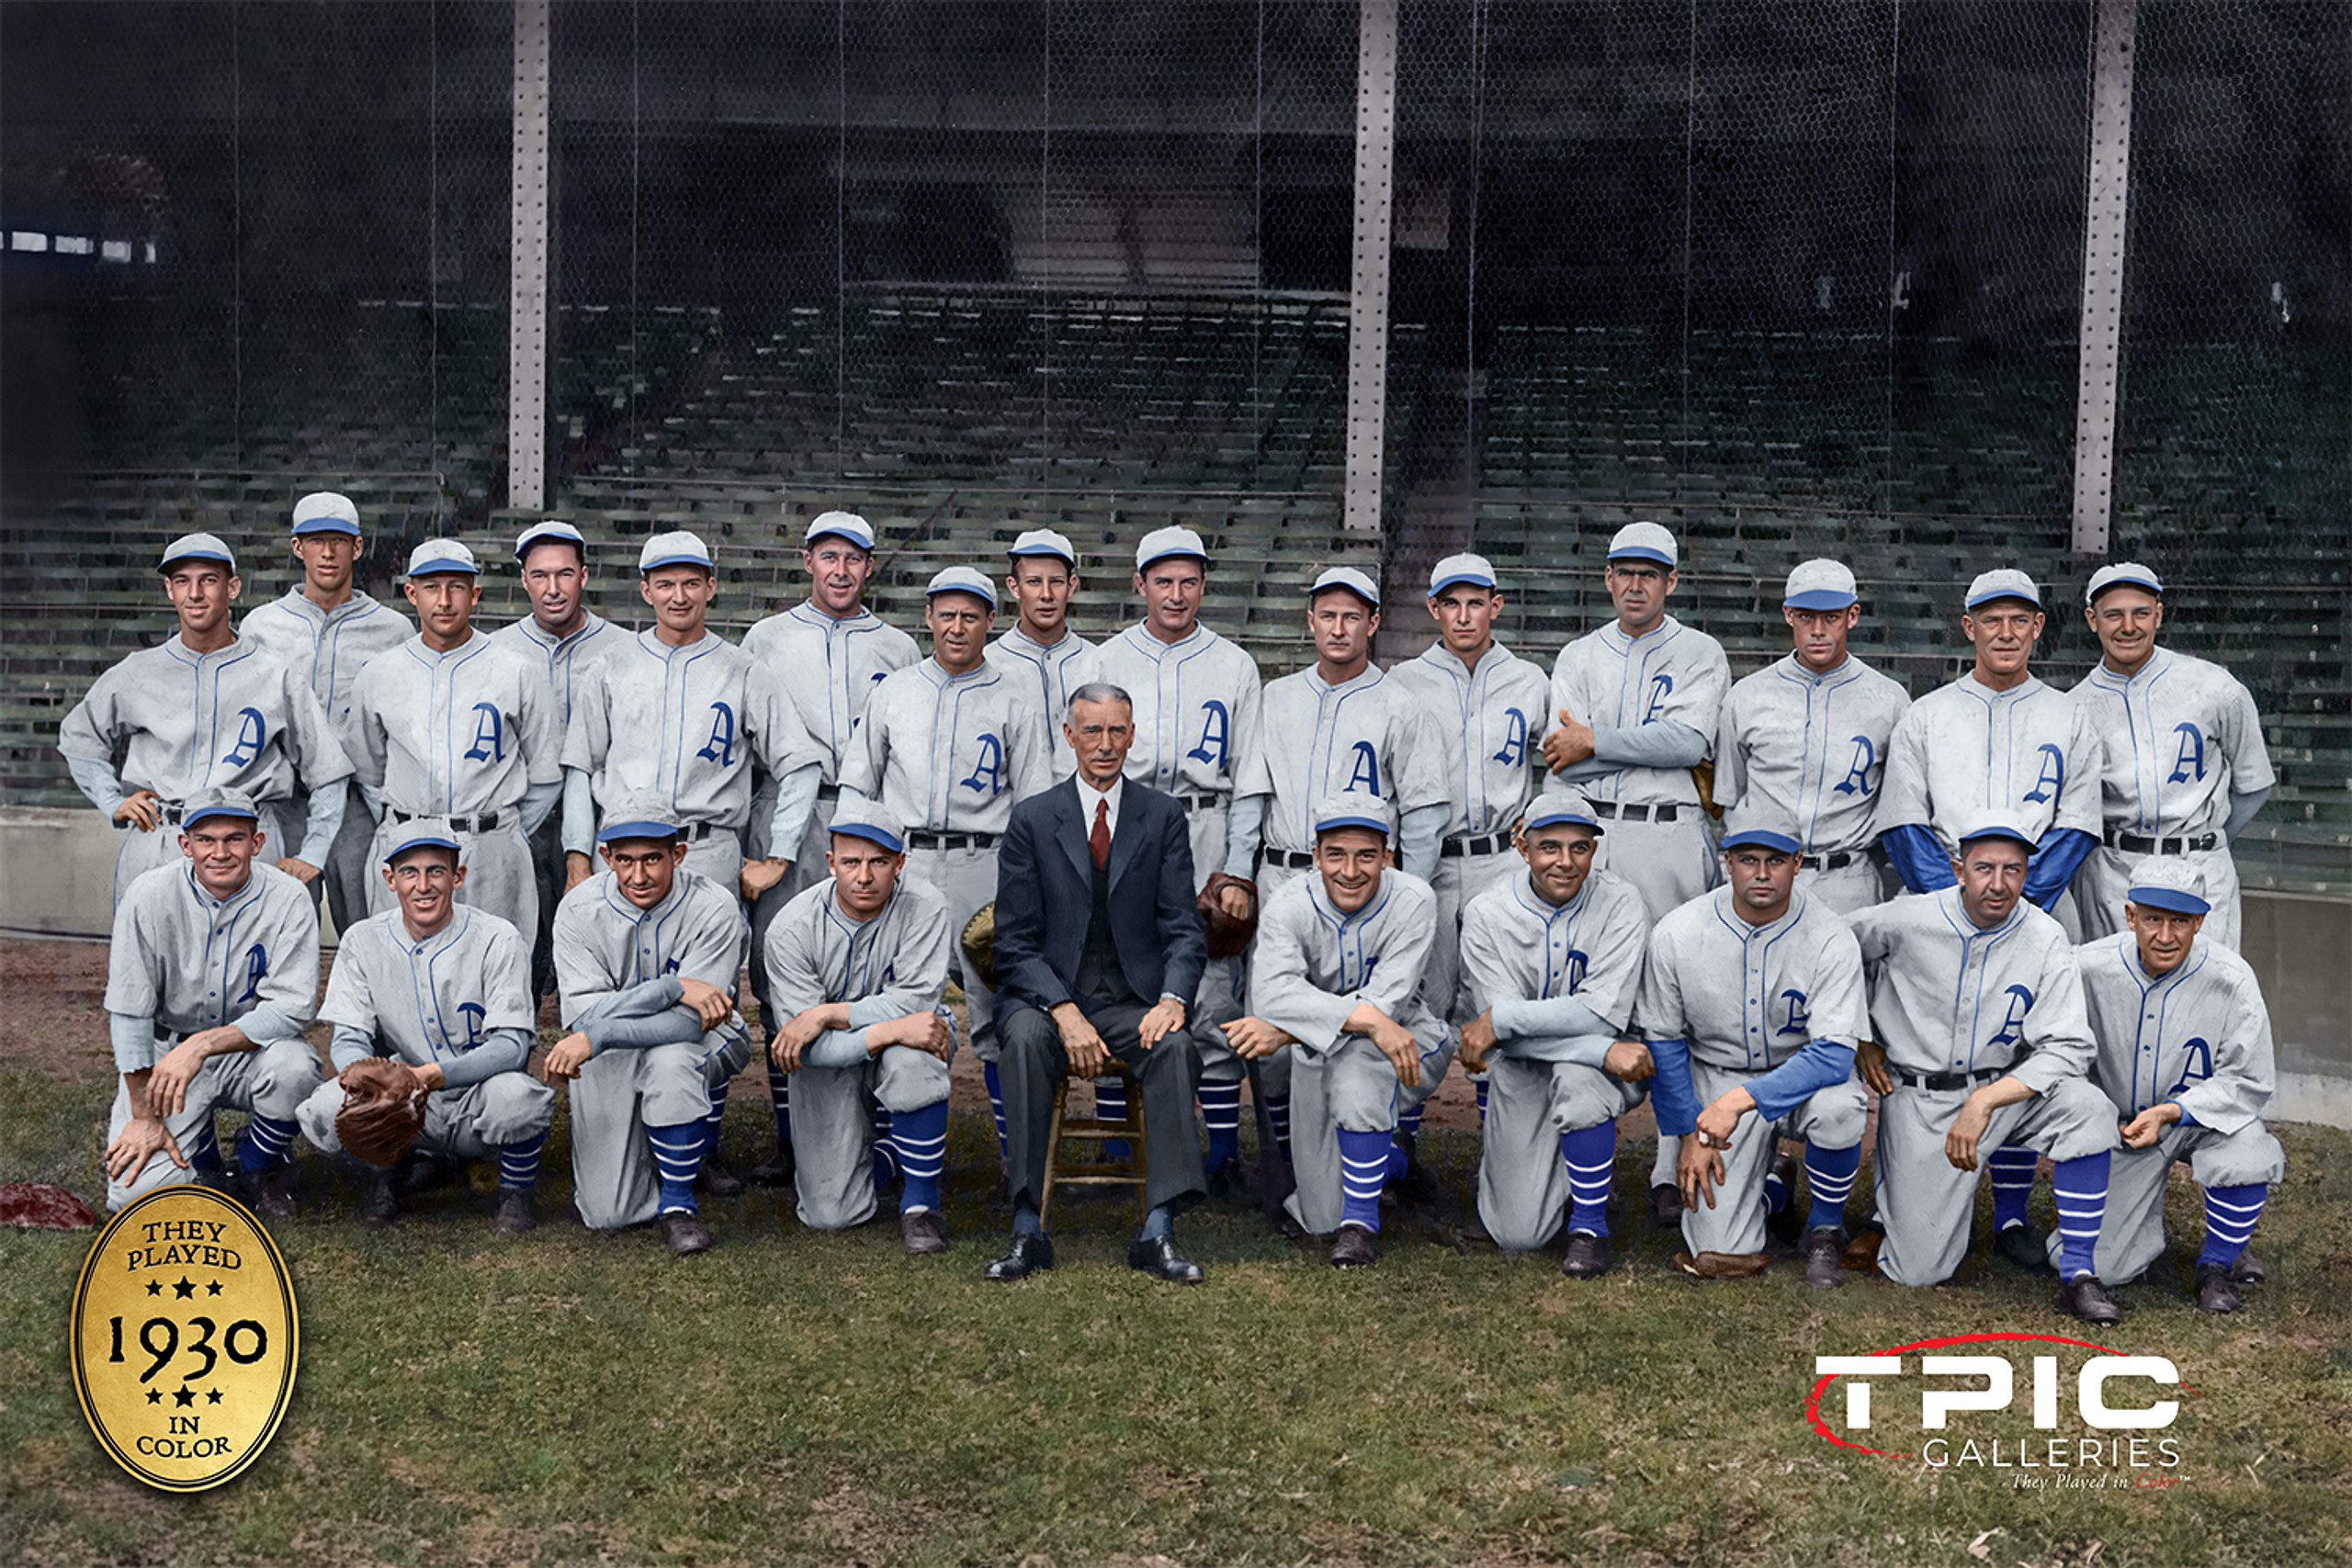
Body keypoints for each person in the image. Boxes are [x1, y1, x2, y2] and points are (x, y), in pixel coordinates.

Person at [1876, 568, 2105, 1253]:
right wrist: (1958, 902)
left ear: (2038, 627)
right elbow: (1903, 821)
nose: (2006, 632)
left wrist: (2013, 905)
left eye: (2020, 619)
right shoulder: (1927, 713)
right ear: (1968, 627)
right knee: (1933, 1050)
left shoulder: (2068, 715)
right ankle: (1906, 1194)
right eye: (1991, 619)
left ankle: (2010, 1213)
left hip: (2032, 905)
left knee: (2028, 1047)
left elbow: (2077, 825)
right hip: (1939, 904)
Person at [1846, 818, 2125, 1324]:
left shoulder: (2044, 935)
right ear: (1958, 870)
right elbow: (1834, 952)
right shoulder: (1907, 918)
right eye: (1984, 869)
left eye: (2012, 870)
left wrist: (1986, 1100)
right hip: (1921, 1097)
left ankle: (2078, 1274)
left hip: (2004, 1093)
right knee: (1920, 1270)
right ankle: (1893, 1216)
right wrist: (1859, 1032)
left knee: (2088, 1108)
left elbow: (2067, 1045)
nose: (1998, 884)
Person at [1537, 520, 1731, 1228]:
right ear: (1608, 577)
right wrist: (1612, 749)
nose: (1637, 583)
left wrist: (1601, 740)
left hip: (1671, 835)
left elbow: (1690, 741)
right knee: (1593, 988)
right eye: (1625, 570)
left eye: (1651, 572)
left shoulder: (1700, 650)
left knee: (1678, 998)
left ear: (1671, 582)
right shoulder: (1580, 653)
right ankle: (1580, 1149)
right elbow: (1567, 758)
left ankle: (1670, 1156)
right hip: (1593, 833)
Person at [985, 682, 1211, 1282]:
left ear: (1132, 735)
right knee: (1026, 1042)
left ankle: (1158, 1228)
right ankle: (1027, 1226)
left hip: (1132, 999)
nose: (1105, 745)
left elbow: (1184, 928)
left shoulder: (1162, 816)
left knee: (1176, 1046)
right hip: (1047, 998)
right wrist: (1062, 1007)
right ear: (1069, 735)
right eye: (1092, 730)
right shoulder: (1032, 819)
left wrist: (1172, 998)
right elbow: (1013, 940)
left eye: (1117, 731)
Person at [1228, 564, 1449, 1177]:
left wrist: (1409, 902)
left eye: (1353, 615)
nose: (1339, 626)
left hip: (1367, 889)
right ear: (1310, 621)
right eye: (1327, 614)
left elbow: (1425, 819)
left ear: (1374, 623)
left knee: (1377, 1025)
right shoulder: (1277, 697)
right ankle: (1284, 1161)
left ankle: (1390, 1151)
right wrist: (1237, 876)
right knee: (1275, 1028)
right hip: (1284, 877)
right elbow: (1251, 797)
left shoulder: (1402, 704)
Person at [838, 565, 1054, 1166]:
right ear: (928, 618)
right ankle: (882, 1152)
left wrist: (1026, 884)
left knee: (998, 1008)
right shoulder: (895, 690)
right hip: (903, 863)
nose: (957, 627)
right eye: (946, 614)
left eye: (970, 616)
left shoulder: (1016, 696)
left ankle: (1019, 1160)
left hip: (984, 861)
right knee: (893, 1001)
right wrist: (862, 865)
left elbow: (1035, 803)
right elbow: (858, 785)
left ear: (991, 621)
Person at [740, 510, 921, 1187]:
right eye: (828, 557)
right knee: (781, 971)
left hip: (871, 813)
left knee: (871, 975)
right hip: (790, 813)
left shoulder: (898, 646)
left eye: (853, 558)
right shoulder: (766, 638)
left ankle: (877, 1129)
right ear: (807, 562)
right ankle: (792, 1139)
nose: (840, 570)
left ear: (870, 566)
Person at [1092, 525, 1264, 1197]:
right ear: (1140, 585)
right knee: (1116, 979)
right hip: (1127, 820)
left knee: (1213, 990)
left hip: (1207, 823)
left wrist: (1240, 870)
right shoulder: (1106, 659)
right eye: (1163, 580)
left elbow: (1250, 779)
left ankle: (1221, 1151)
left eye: (1189, 580)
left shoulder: (1235, 664)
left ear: (1203, 585)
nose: (1176, 593)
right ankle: (1115, 1140)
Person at [1634, 815, 1870, 1289]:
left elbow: (1833, 1056)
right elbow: (1664, 1041)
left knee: (1842, 1107)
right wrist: (1686, 1135)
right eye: (1748, 860)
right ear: (1727, 863)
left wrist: (1736, 1102)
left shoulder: (1829, 936)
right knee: (1719, 1253)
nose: (1762, 873)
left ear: (1798, 864)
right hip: (1713, 1074)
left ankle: (1823, 1230)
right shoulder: (1678, 932)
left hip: (1798, 1075)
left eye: (1775, 860)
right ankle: (1775, 1189)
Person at [60, 532, 353, 908]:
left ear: (232, 588)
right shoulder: (139, 671)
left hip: (245, 839)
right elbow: (79, 737)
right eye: (182, 581)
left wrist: (313, 852)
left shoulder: (275, 674)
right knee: (151, 961)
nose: (195, 593)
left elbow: (328, 770)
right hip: (162, 837)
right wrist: (111, 799)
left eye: (208, 580)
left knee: (250, 963)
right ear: (169, 590)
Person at [1224, 795, 1453, 1267]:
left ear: (1388, 858)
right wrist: (1359, 1020)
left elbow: (1386, 1002)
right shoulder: (1290, 902)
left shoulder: (1413, 898)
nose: (1350, 870)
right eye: (1336, 855)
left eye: (1366, 855)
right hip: (1324, 1047)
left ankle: (1360, 1227)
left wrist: (1288, 1031)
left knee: (1356, 1080)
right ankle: (1393, 1161)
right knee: (1317, 1215)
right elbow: (1272, 997)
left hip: (1407, 1043)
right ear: (1316, 857)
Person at [295, 817, 554, 1233]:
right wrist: (370, 1080)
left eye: (436, 871)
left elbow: (512, 1047)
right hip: (402, 1101)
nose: (423, 885)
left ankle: (515, 1192)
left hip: (475, 1097)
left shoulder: (497, 937)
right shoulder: (362, 939)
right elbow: (348, 1036)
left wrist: (428, 1077)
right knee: (325, 1107)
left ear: (458, 876)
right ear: (389, 879)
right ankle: (387, 1176)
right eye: (409, 872)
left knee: (520, 1097)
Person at [97, 788, 322, 1216]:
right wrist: (145, 1117)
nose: (220, 852)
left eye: (234, 839)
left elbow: (293, 1008)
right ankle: (204, 1161)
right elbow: (128, 1011)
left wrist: (200, 1046)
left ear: (257, 844)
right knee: (134, 1199)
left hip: (248, 1051)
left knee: (296, 1068)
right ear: (186, 845)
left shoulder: (289, 898)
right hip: (167, 1055)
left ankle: (259, 1166)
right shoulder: (147, 895)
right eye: (206, 839)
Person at [2073, 859, 2282, 1313]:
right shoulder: (2087, 966)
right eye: (2152, 919)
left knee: (2249, 1150)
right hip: (2125, 1129)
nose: (2165, 936)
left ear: (2200, 922)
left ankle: (2217, 1266)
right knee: (2107, 1269)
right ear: (2130, 916)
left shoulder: (2232, 977)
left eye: (2180, 921)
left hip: (2198, 1120)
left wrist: (2174, 1112)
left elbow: (2250, 1079)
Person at [1454, 792, 1651, 1274]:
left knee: (1577, 1078)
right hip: (1527, 1069)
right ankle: (1563, 1178)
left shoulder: (1622, 902)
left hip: (1592, 1072)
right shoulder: (1487, 912)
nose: (1565, 862)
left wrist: (1503, 1020)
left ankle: (1589, 1226)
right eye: (1550, 848)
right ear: (1523, 848)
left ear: (1593, 851)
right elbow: (1512, 1041)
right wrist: (1603, 1049)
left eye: (1579, 848)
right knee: (1518, 1235)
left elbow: (1601, 1014)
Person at [546, 801, 753, 1256]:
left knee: (672, 1060)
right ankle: (666, 1149)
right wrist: (671, 987)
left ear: (677, 855)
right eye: (625, 860)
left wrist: (599, 1034)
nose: (638, 876)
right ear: (606, 857)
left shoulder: (714, 905)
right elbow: (585, 1017)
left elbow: (694, 1020)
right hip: (607, 1045)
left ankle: (678, 1206)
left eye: (652, 859)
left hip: (704, 1038)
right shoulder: (579, 909)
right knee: (608, 1214)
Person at [761, 802, 958, 1254]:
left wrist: (829, 1013)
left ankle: (920, 1207)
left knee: (916, 1054)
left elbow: (917, 1005)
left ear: (900, 864)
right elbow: (807, 1050)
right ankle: (888, 1153)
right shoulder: (791, 928)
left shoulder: (926, 906)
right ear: (831, 863)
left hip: (903, 1042)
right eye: (851, 862)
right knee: (831, 1214)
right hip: (829, 1058)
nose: (864, 876)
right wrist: (886, 1031)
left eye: (879, 862)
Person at [343, 538, 562, 939]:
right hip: (406, 844)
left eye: (456, 587)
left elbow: (546, 777)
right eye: (431, 587)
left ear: (474, 594)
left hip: (491, 850)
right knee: (403, 977)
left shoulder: (517, 670)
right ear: (411, 594)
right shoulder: (380, 672)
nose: (444, 600)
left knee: (495, 972)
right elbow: (368, 773)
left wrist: (501, 828)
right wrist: (405, 823)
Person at [1385, 553, 1553, 1036]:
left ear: (1495, 606)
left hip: (1501, 857)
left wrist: (1538, 813)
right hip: (1430, 858)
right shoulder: (1403, 681)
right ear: (1433, 608)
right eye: (1451, 603)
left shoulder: (1529, 679)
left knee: (1498, 994)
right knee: (1423, 995)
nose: (1463, 616)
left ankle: (1493, 1113)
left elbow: (1562, 759)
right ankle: (1411, 1111)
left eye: (1475, 603)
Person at [2070, 561, 2275, 952]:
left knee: (2205, 998)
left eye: (2141, 613)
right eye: (2113, 614)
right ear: (2092, 620)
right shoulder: (2074, 708)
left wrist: (2209, 841)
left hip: (2200, 869)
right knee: (2114, 1000)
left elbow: (2254, 785)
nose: (2128, 626)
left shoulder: (2214, 686)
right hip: (2113, 874)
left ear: (2158, 615)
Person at [240, 491, 416, 931]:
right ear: (298, 547)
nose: (328, 551)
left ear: (357, 547)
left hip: (357, 806)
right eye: (316, 540)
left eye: (339, 540)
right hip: (284, 802)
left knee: (367, 927)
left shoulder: (393, 629)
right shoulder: (261, 626)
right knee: (275, 929)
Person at [1713, 558, 1909, 916]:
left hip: (1849, 880)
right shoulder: (1747, 695)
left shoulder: (1890, 700)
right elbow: (1732, 797)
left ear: (1852, 616)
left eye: (1831, 617)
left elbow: (1896, 807)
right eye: (1806, 616)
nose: (1818, 630)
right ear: (1788, 615)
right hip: (1764, 876)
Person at [488, 519, 618, 998]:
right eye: (540, 575)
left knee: (596, 943)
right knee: (521, 943)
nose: (553, 588)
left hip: (600, 814)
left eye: (564, 574)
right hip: (522, 812)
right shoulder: (495, 650)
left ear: (585, 576)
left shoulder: (623, 649)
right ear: (524, 580)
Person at [984, 528, 1100, 779]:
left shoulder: (1098, 661)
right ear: (1014, 587)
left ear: (1071, 586)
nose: (1046, 595)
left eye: (1056, 582)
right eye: (1034, 582)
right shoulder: (989, 663)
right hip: (1012, 811)